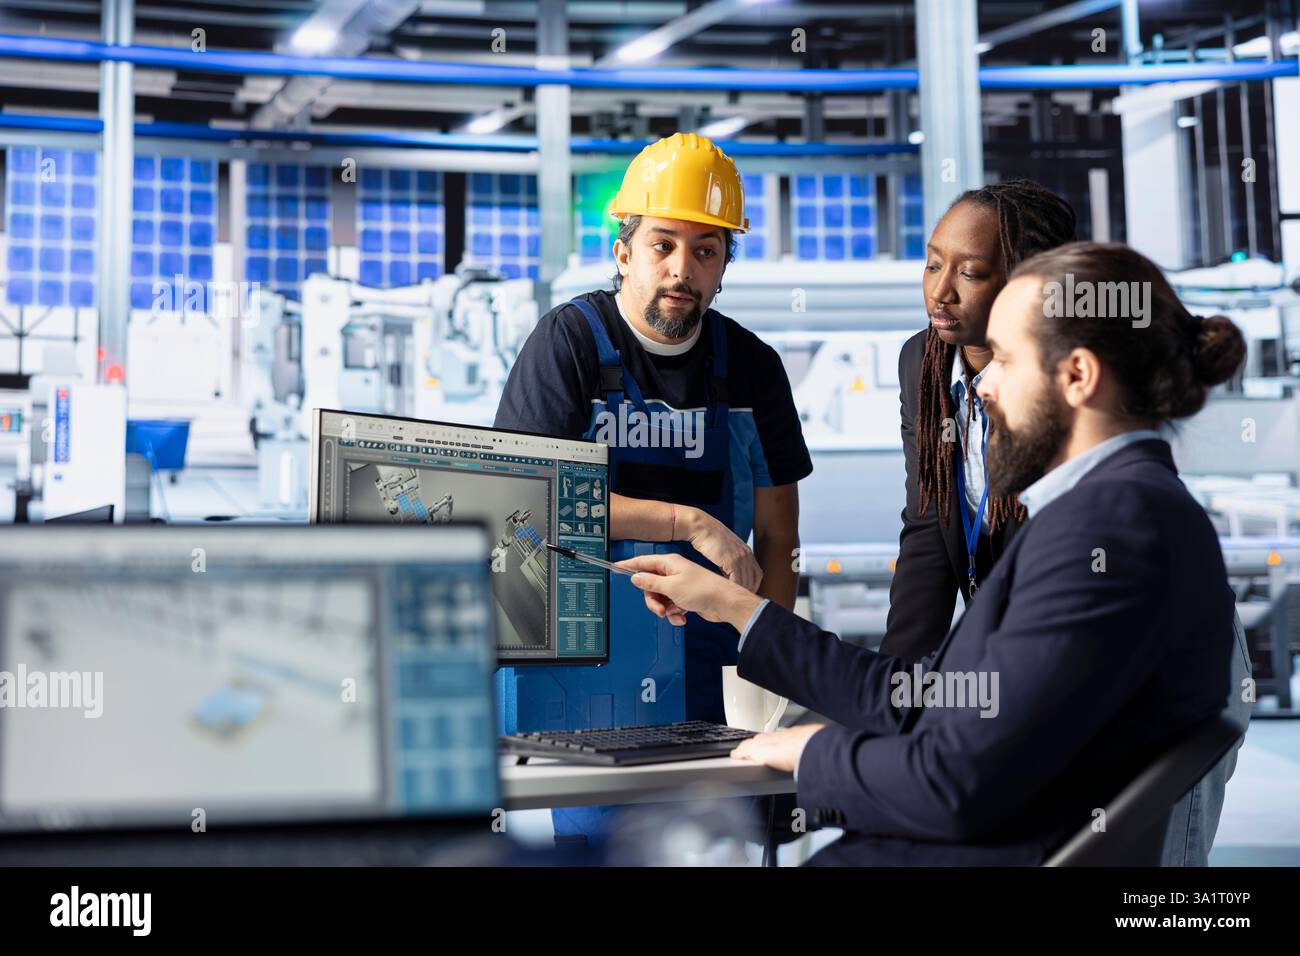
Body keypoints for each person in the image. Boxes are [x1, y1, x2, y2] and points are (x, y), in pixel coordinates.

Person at [621, 241, 1248, 866]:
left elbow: (956, 781)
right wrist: (736, 608)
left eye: (1003, 359)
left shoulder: (1111, 529)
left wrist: (814, 756)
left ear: (1078, 376)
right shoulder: (1107, 513)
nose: (984, 386)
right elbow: (934, 698)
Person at [494, 132, 811, 845]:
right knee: (600, 852)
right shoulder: (569, 344)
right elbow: (523, 499)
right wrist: (688, 521)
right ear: (624, 250)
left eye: (706, 249)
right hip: (590, 670)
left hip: (714, 669)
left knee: (718, 845)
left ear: (725, 263)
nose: (682, 268)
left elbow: (782, 536)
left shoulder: (752, 367)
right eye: (663, 244)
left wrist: (771, 662)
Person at [884, 180, 1076, 663]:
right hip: (1018, 655)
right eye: (932, 264)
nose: (940, 291)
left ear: (1024, 282)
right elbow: (929, 526)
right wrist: (892, 693)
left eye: (969, 273)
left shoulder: (1067, 375)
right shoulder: (922, 364)